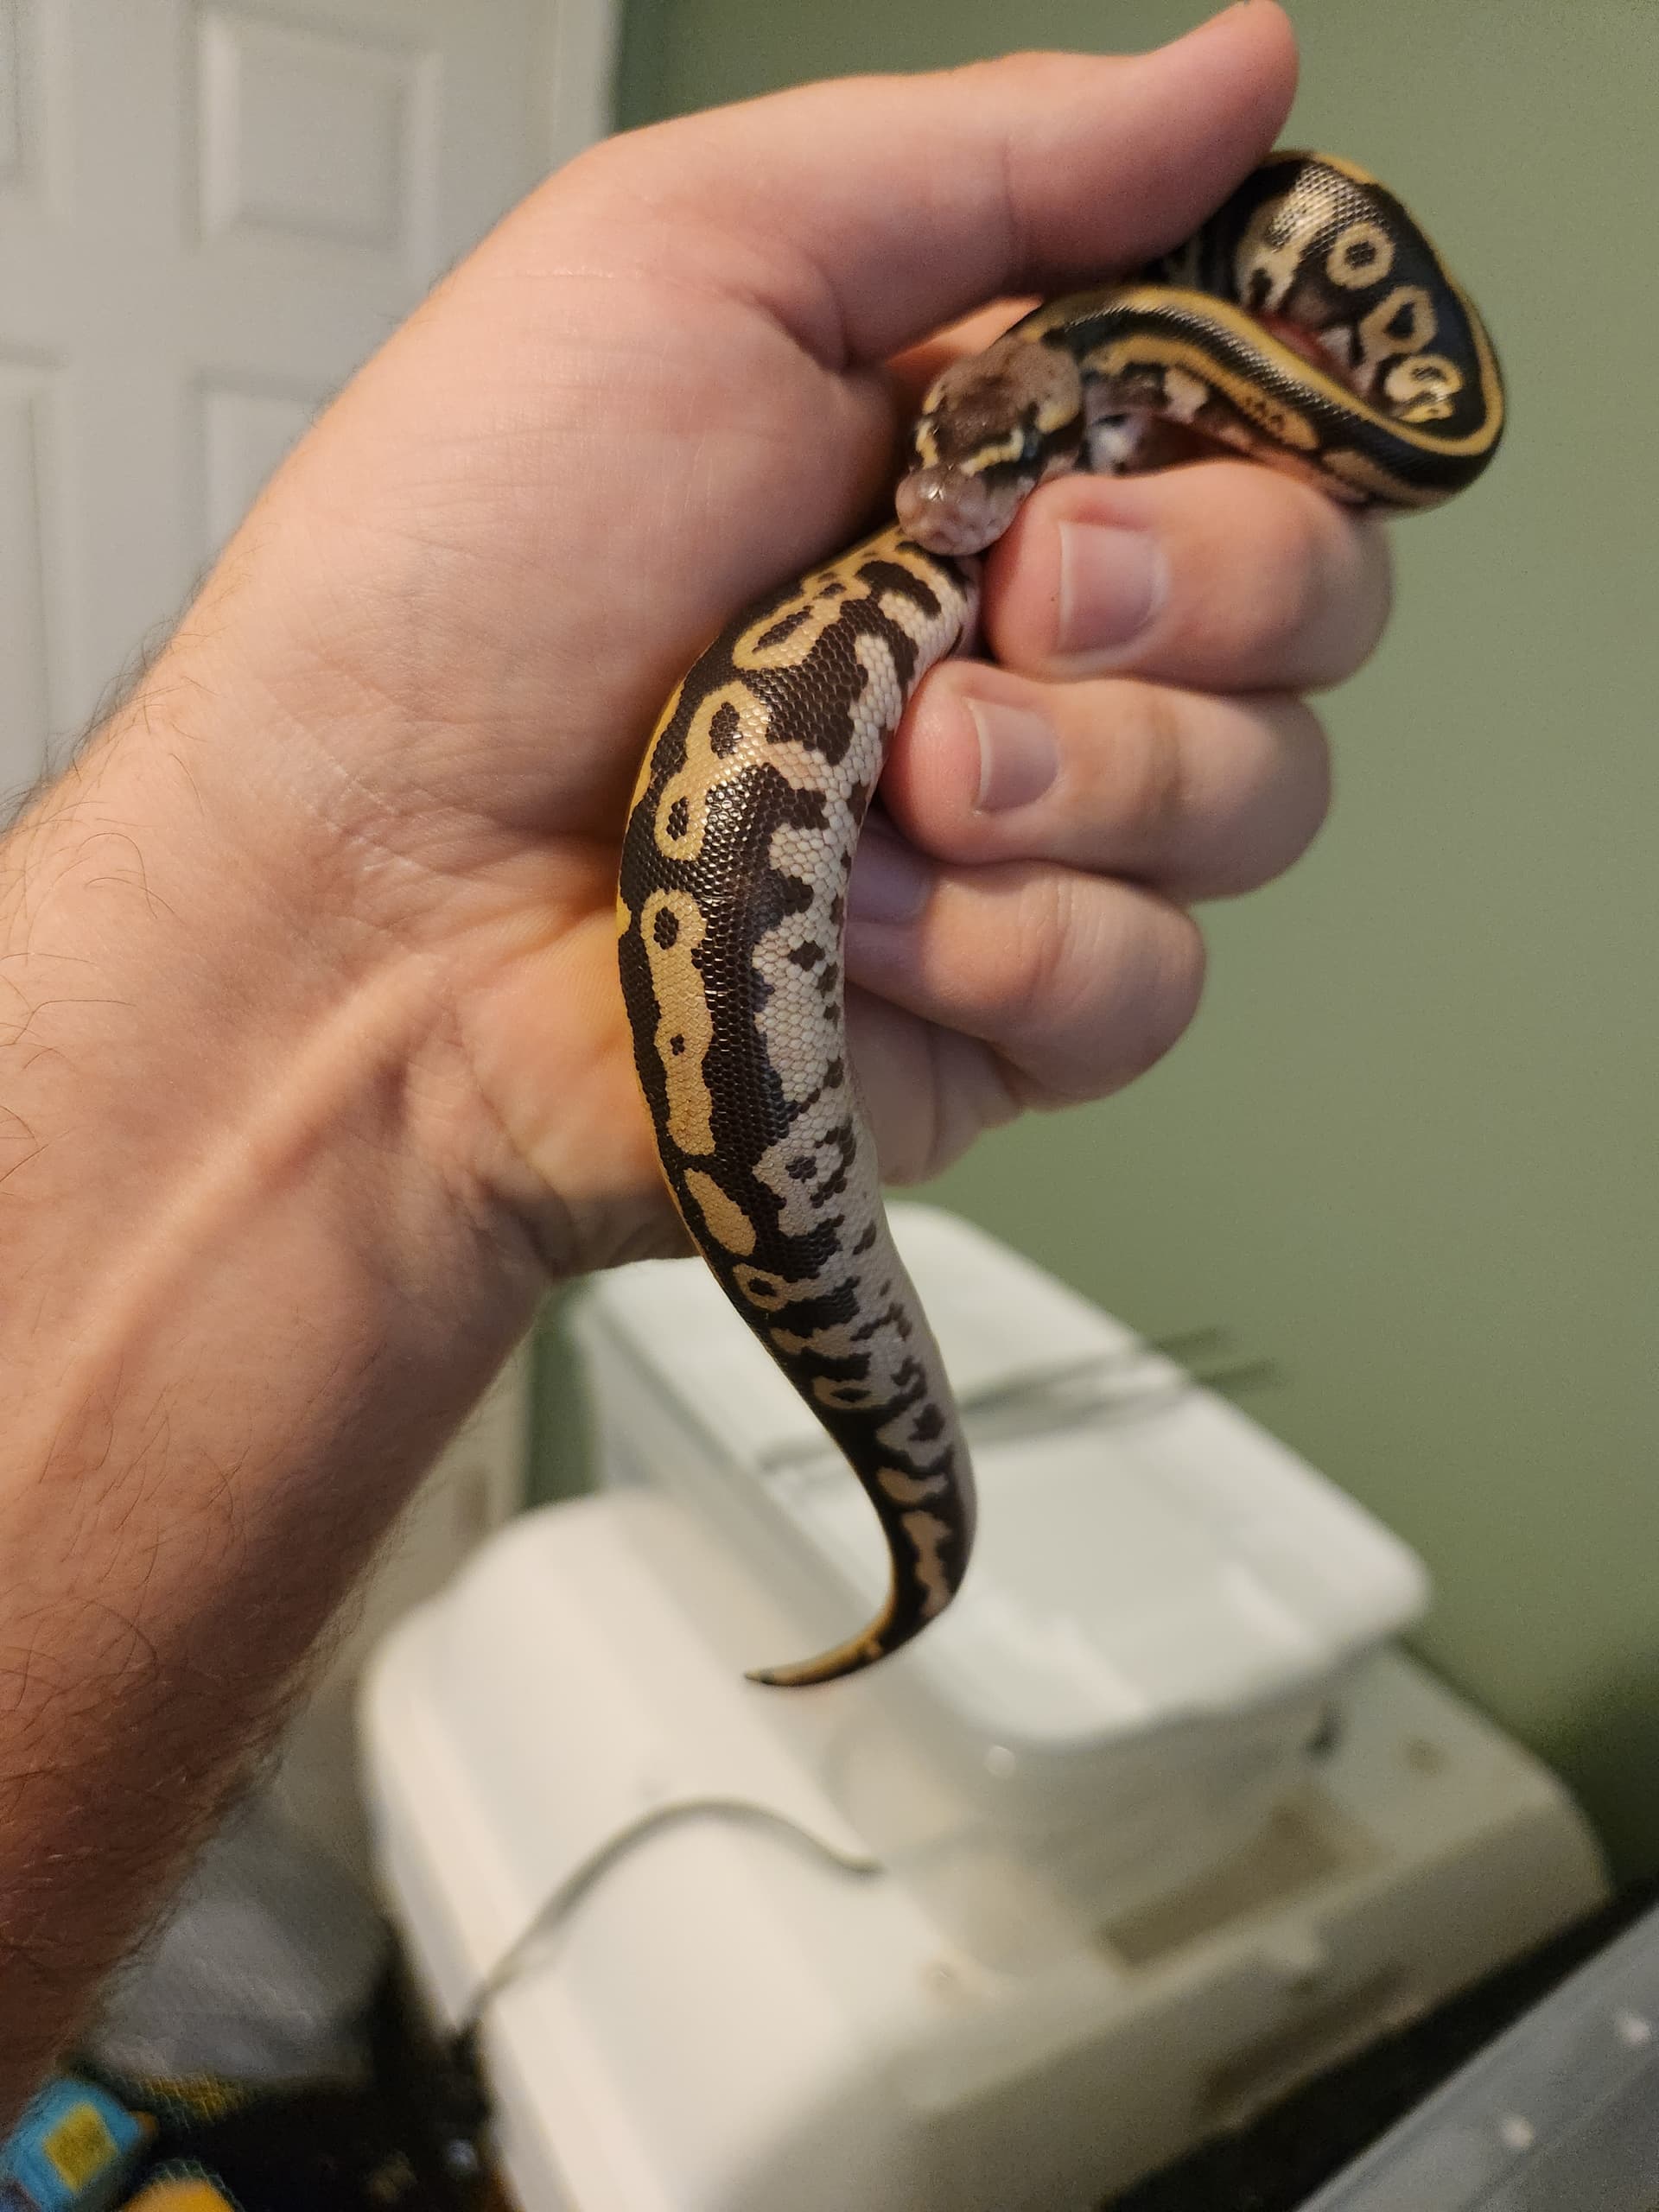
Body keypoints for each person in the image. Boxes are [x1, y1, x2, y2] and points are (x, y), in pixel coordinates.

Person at [0, 0, 1391, 2107]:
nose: (936, 494)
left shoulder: (1169, 376)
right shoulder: (989, 431)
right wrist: (327, 950)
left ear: (1075, 431)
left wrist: (369, 1046)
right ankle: (913, 1534)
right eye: (945, 457)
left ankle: (905, 1533)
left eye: (980, 464)